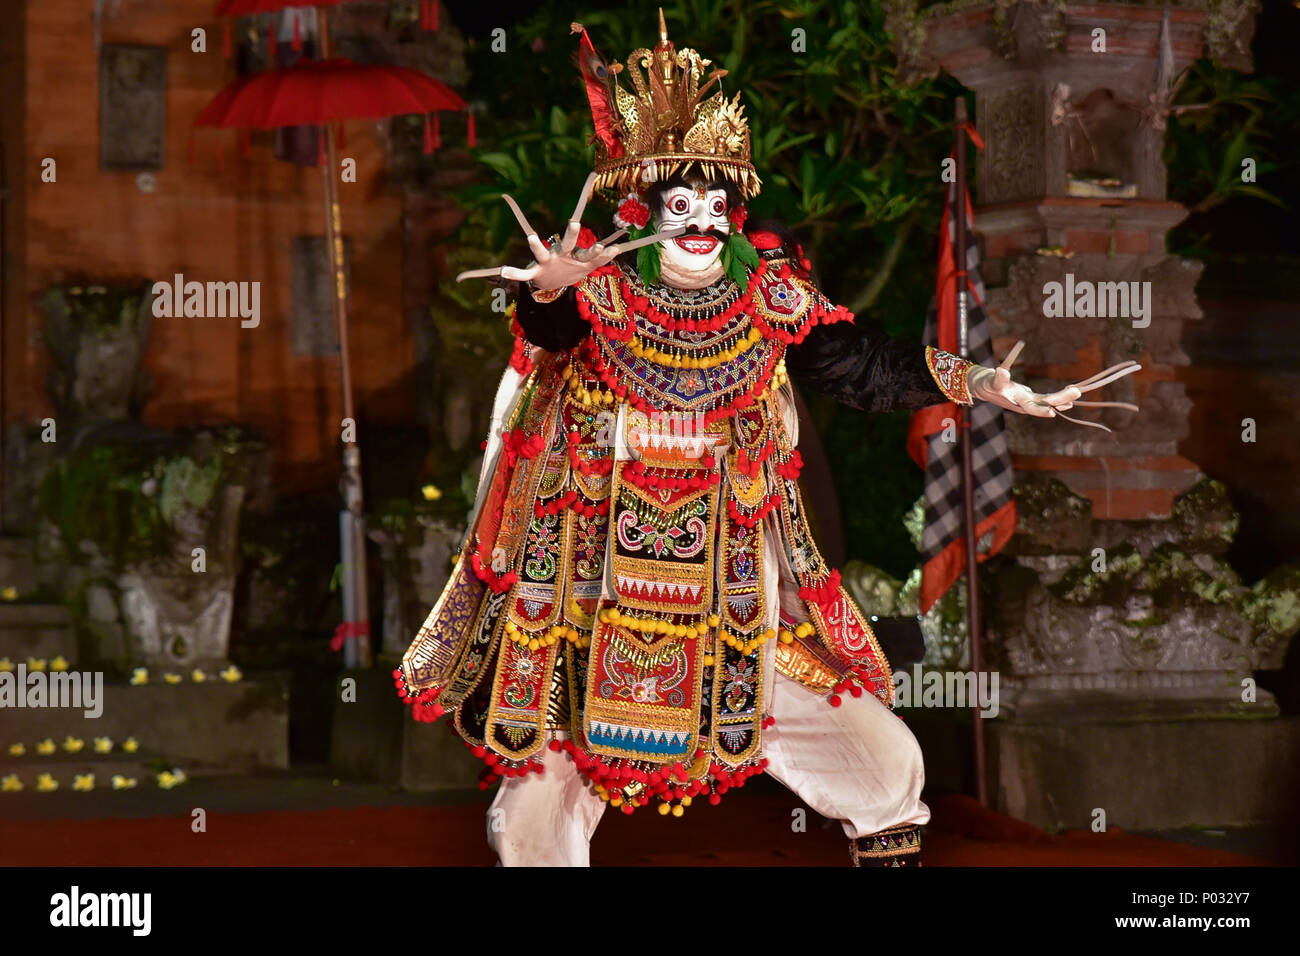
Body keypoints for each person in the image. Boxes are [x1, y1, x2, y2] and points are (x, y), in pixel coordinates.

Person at [395, 12, 1125, 867]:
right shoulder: (602, 294)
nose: (702, 219)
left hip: (731, 593)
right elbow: (549, 330)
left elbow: (856, 365)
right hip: (589, 597)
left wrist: (982, 383)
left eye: (716, 204)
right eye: (680, 202)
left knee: (884, 763)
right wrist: (553, 287)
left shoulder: (767, 302)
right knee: (536, 807)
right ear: (644, 209)